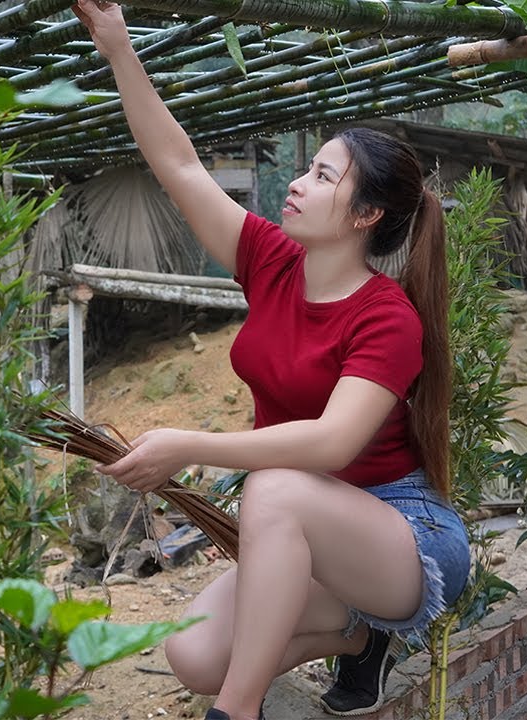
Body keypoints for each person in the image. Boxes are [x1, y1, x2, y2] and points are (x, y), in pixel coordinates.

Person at [70, 2, 472, 719]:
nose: (297, 182)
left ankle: (239, 710)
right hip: (302, 526)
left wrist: (190, 446)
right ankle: (355, 638)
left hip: (400, 536)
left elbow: (331, 443)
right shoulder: (270, 261)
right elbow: (180, 166)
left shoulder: (388, 316)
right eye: (307, 168)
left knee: (275, 487)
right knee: (191, 654)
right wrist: (120, 51)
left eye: (322, 177)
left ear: (365, 216)